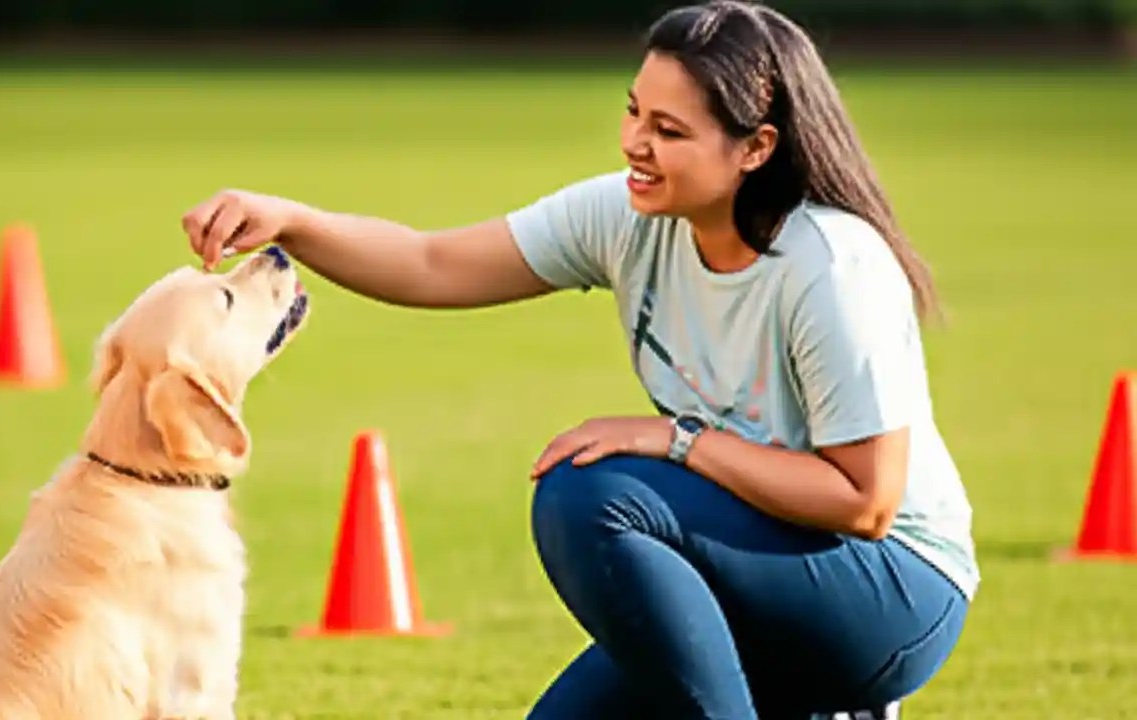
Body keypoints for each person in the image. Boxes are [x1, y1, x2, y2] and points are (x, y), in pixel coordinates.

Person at [179, 2, 979, 717]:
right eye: (635, 112)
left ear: (755, 148)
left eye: (670, 132)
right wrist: (291, 221)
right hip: (758, 561)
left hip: (891, 590)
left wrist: (676, 441)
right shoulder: (628, 216)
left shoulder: (830, 266)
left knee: (591, 494)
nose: (636, 142)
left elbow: (866, 500)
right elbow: (431, 264)